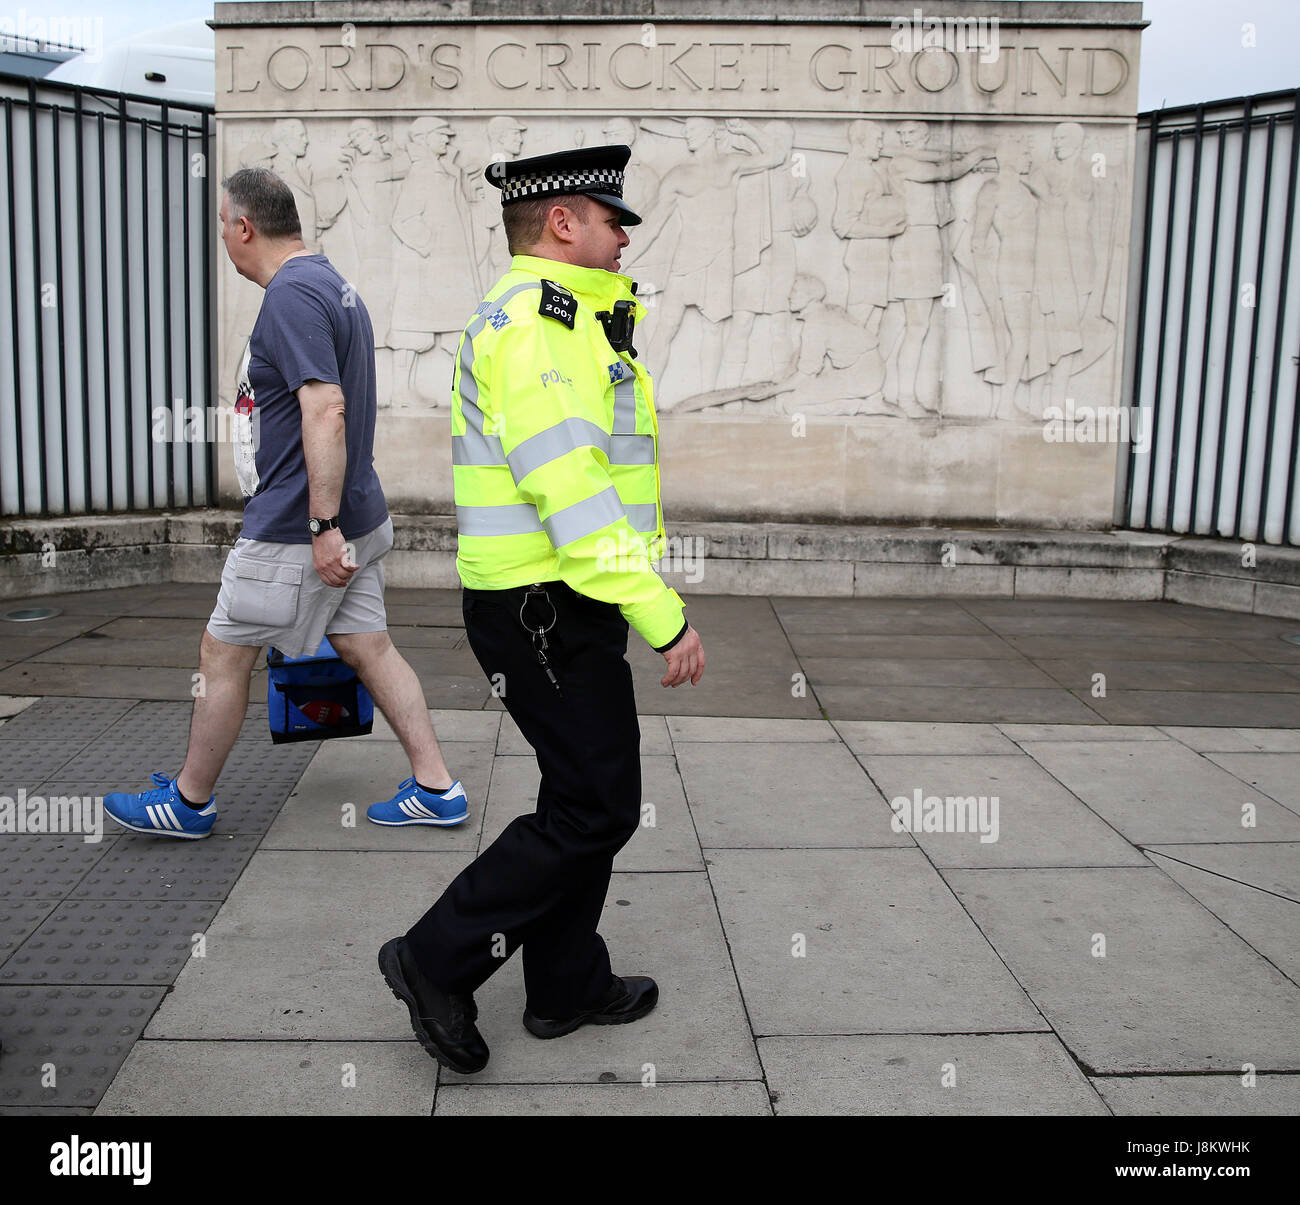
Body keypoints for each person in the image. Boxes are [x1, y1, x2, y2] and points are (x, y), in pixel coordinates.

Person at [378, 144, 706, 1075]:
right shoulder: (536, 326)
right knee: (599, 806)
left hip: (565, 598)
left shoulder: (576, 321)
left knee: (581, 795)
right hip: (543, 603)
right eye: (611, 219)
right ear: (563, 222)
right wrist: (661, 611)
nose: (623, 234)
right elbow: (570, 487)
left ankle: (566, 985)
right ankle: (434, 958)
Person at [103, 167, 467, 839]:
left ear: (245, 227)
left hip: (299, 528)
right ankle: (438, 786)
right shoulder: (330, 283)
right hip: (355, 515)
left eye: (223, 226)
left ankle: (189, 801)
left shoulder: (293, 295)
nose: (224, 238)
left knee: (222, 652)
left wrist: (321, 524)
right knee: (370, 647)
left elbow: (326, 409)